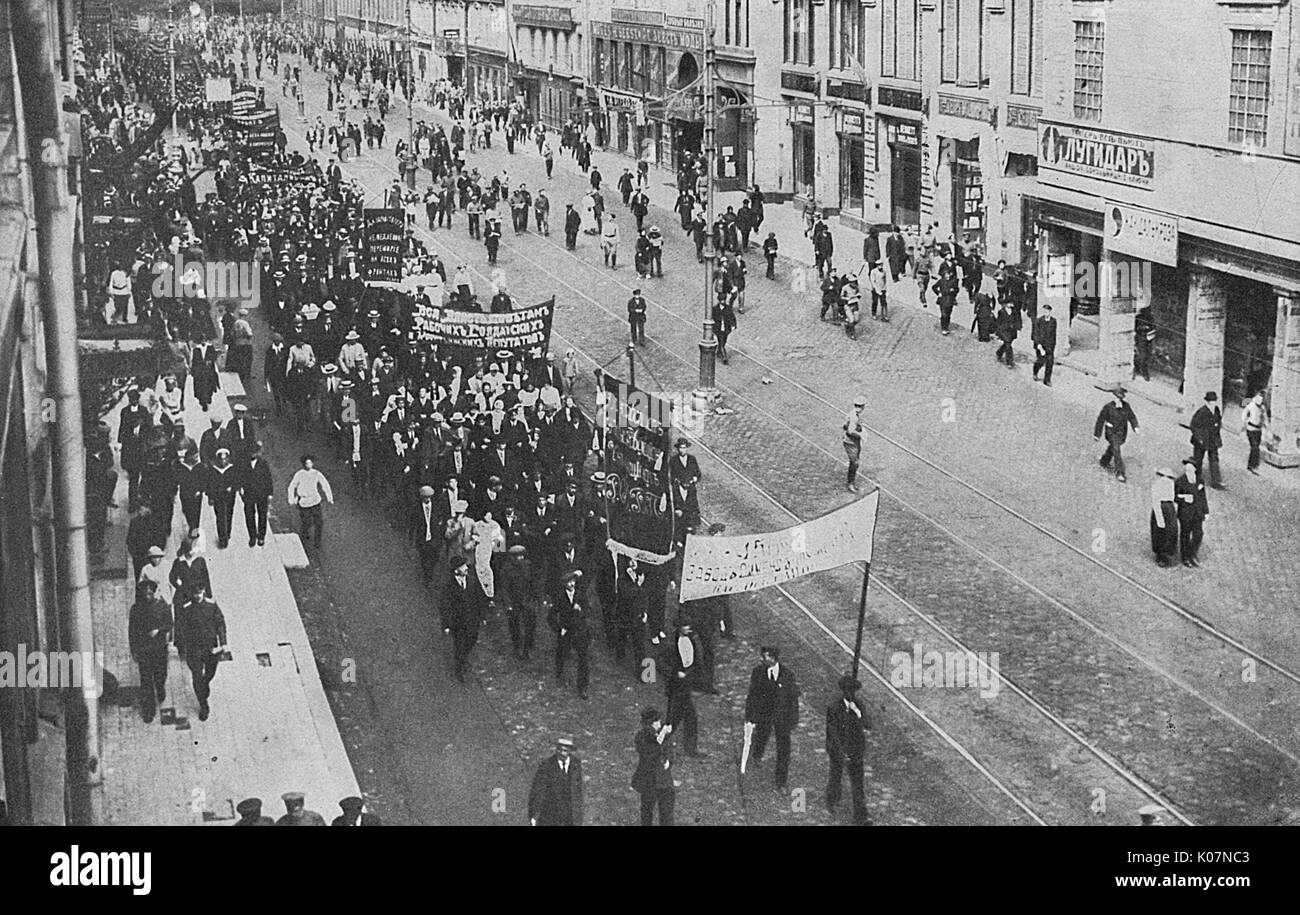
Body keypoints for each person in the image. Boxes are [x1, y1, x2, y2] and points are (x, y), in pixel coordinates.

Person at [744, 646, 799, 788]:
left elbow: (793, 698)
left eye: (764, 657)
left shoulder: (787, 675)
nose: (761, 659)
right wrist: (750, 714)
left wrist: (793, 718)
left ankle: (781, 781)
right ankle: (757, 754)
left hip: (782, 717)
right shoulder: (758, 672)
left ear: (773, 658)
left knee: (783, 750)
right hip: (764, 713)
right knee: (762, 735)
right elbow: (753, 694)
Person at [175, 584, 226, 722]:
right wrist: (182, 648)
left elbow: (220, 623)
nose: (197, 596)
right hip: (194, 650)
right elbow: (180, 629)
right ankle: (203, 705)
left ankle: (205, 684)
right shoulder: (186, 609)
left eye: (199, 593)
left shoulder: (211, 605)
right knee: (197, 677)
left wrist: (223, 643)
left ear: (203, 591)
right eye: (194, 593)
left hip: (210, 648)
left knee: (210, 673)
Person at [825, 674, 870, 825]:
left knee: (858, 783)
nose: (850, 694)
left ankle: (861, 816)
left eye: (852, 691)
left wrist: (857, 713)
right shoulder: (834, 708)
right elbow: (833, 732)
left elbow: (868, 725)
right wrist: (841, 752)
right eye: (847, 691)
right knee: (836, 776)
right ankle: (832, 801)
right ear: (843, 691)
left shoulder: (859, 705)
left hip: (855, 749)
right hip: (839, 749)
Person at [128, 578, 172, 723]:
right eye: (144, 593)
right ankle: (149, 709)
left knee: (160, 675)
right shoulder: (136, 609)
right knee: (146, 681)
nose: (146, 596)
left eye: (149, 593)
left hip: (159, 649)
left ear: (154, 593)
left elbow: (169, 624)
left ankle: (160, 689)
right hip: (144, 650)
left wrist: (159, 630)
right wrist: (134, 649)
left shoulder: (162, 607)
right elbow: (132, 631)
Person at [444, 555, 487, 683]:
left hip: (472, 620)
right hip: (458, 622)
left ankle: (463, 657)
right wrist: (446, 624)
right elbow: (445, 606)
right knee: (459, 645)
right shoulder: (449, 586)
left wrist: (482, 616)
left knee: (472, 640)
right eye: (463, 566)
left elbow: (480, 599)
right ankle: (459, 668)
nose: (466, 568)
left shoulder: (472, 581)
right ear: (456, 570)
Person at [550, 569, 592, 699]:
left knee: (583, 660)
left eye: (573, 581)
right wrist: (559, 629)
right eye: (569, 582)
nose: (572, 584)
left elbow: (588, 610)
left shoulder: (581, 595)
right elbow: (551, 616)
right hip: (567, 631)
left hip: (580, 631)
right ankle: (559, 671)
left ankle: (583, 687)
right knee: (562, 653)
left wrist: (581, 611)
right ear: (564, 584)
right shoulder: (559, 597)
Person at [632, 708, 676, 826]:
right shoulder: (641, 737)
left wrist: (668, 761)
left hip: (664, 780)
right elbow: (652, 750)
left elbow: (670, 750)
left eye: (658, 721)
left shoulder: (664, 736)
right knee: (647, 811)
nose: (658, 724)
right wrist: (662, 734)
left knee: (667, 812)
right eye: (654, 722)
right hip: (649, 779)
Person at [528, 737, 584, 826]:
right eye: (559, 750)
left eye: (565, 750)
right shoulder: (546, 765)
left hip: (570, 816)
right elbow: (537, 791)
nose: (562, 753)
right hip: (550, 815)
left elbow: (578, 791)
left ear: (570, 751)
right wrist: (533, 815)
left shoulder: (576, 765)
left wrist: (578, 816)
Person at [1094, 387, 1140, 483]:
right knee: (1116, 450)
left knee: (1114, 447)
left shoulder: (1126, 406)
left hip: (1121, 433)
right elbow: (1100, 420)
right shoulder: (1108, 407)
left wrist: (1135, 426)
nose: (1120, 399)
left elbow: (1131, 416)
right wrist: (1097, 434)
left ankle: (1104, 460)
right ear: (1114, 397)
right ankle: (1120, 472)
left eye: (1121, 397)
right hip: (1111, 432)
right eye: (1118, 397)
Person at [287, 454, 334, 548]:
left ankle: (317, 541)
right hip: (304, 502)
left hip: (315, 501)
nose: (309, 465)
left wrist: (329, 497)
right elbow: (292, 486)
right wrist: (291, 499)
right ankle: (304, 535)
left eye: (310, 463)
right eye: (307, 463)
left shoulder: (316, 473)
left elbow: (325, 484)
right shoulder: (299, 474)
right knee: (307, 522)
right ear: (303, 464)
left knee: (319, 522)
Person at [1174, 457, 1209, 568]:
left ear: (1194, 469)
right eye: (1187, 467)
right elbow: (1175, 497)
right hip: (1186, 513)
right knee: (1185, 535)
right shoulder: (1180, 481)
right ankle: (1185, 557)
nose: (1188, 469)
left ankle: (1192, 553)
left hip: (1198, 512)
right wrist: (1184, 498)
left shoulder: (1199, 480)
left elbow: (1203, 496)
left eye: (1190, 467)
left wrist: (1206, 511)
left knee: (1198, 534)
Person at [241, 441, 273, 548]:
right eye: (251, 452)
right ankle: (252, 536)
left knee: (262, 515)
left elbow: (268, 479)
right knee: (249, 515)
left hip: (261, 494)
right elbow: (239, 477)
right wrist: (240, 489)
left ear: (257, 453)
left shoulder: (263, 464)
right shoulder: (244, 464)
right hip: (249, 494)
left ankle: (261, 537)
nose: (252, 454)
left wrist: (269, 493)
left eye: (254, 452)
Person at [1189, 391, 1224, 489]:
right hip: (1201, 441)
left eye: (1214, 401)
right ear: (1207, 401)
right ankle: (1195, 479)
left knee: (1214, 460)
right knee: (1198, 460)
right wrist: (1199, 438)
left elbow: (1218, 422)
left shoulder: (1216, 410)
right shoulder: (1202, 412)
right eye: (1211, 401)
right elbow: (1193, 425)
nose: (1213, 403)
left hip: (1212, 440)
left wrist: (1217, 437)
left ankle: (1216, 482)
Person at [1149, 468, 1179, 567]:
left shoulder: (1171, 485)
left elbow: (1174, 498)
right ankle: (1161, 556)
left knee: (1171, 531)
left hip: (1170, 509)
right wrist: (1159, 519)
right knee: (1160, 533)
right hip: (1161, 508)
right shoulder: (1157, 486)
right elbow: (1156, 502)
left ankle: (1169, 553)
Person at [843, 396, 866, 494]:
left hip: (853, 441)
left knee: (855, 461)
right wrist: (860, 434)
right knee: (855, 463)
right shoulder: (854, 417)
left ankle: (851, 480)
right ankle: (850, 484)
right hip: (850, 442)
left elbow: (845, 425)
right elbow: (850, 431)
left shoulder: (853, 414)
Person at [1031, 303, 1058, 385]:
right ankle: (1035, 372)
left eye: (1047, 311)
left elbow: (1054, 334)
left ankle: (1047, 380)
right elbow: (1035, 334)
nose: (1046, 313)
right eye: (1044, 311)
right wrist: (1039, 345)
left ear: (1050, 312)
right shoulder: (1038, 321)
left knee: (1050, 363)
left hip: (1049, 346)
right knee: (1040, 361)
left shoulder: (1053, 321)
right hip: (1040, 345)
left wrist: (1053, 345)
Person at [1242, 391, 1267, 474]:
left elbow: (1265, 418)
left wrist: (1266, 426)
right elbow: (1244, 414)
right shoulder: (1251, 406)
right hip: (1251, 429)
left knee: (1257, 447)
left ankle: (1255, 464)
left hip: (1258, 430)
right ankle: (1251, 465)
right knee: (1254, 446)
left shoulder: (1262, 408)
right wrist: (1245, 423)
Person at [994, 300, 1019, 368]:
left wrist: (1017, 326)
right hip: (1004, 331)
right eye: (1009, 303)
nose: (1011, 304)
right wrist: (998, 332)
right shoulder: (1001, 312)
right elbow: (998, 322)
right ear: (1005, 304)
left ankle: (999, 352)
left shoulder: (1014, 311)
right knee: (1008, 345)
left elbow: (1017, 320)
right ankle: (1009, 362)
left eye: (1011, 303)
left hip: (1012, 331)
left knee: (1007, 344)